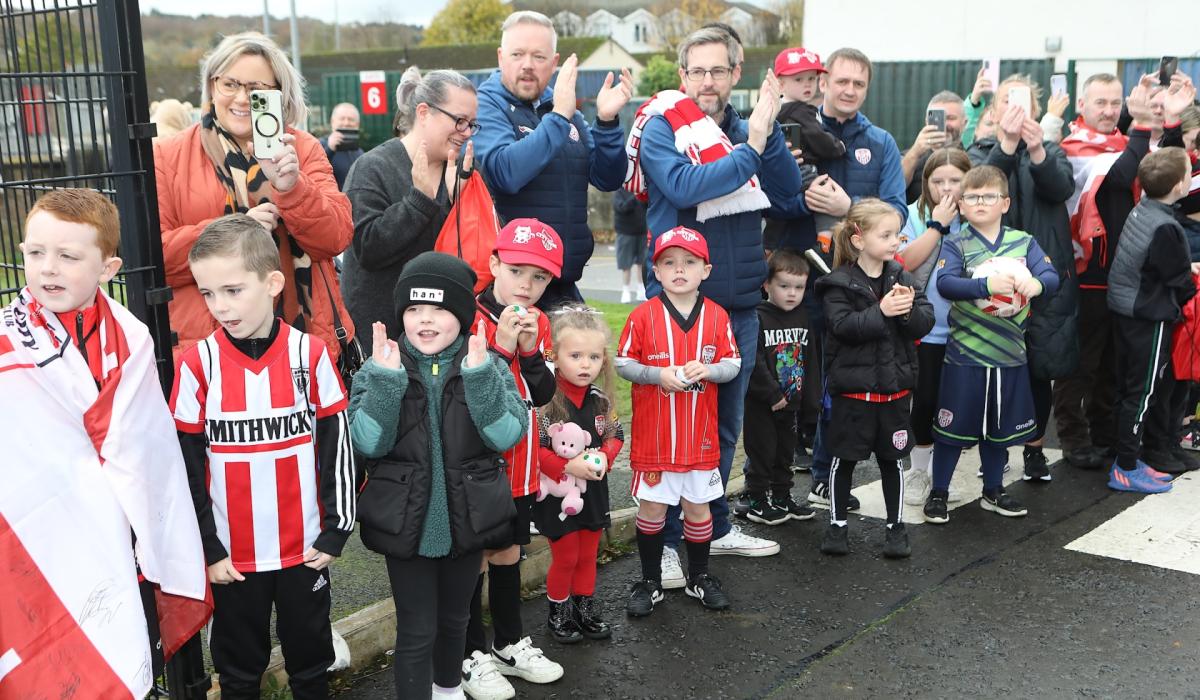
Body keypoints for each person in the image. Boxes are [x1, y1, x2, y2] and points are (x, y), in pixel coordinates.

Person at [2, 190, 207, 699]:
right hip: (32, 535)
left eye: (69, 256)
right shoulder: (6, 339)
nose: (48, 268)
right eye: (35, 253)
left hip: (113, 532)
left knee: (113, 644)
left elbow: (145, 449)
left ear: (108, 266)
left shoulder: (132, 337)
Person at [625, 25, 800, 572]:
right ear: (682, 75)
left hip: (739, 305)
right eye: (696, 70)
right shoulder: (662, 127)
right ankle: (671, 544)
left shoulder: (752, 129)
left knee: (723, 428)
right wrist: (752, 148)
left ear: (735, 74)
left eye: (718, 70)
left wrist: (765, 137)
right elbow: (683, 187)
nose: (707, 80)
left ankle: (712, 527)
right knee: (671, 431)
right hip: (676, 308)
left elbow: (790, 194)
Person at [170, 215, 355, 699]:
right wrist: (208, 549)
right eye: (208, 293)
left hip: (304, 551)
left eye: (232, 290)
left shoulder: (311, 356)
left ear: (273, 283)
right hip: (233, 559)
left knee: (311, 663)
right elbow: (187, 468)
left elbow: (337, 446)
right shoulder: (197, 364)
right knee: (237, 672)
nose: (220, 306)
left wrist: (337, 529)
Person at [348, 252, 527, 699]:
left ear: (463, 317)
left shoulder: (487, 365)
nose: (425, 321)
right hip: (404, 527)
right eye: (413, 309)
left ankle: (448, 691)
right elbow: (367, 443)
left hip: (468, 522)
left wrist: (481, 377)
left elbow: (506, 434)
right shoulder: (379, 368)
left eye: (439, 309)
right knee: (416, 629)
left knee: (455, 622)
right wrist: (386, 384)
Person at [764, 47, 907, 512]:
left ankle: (825, 477)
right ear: (824, 82)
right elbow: (765, 197)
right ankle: (772, 485)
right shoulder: (790, 129)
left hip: (857, 284)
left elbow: (898, 210)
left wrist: (851, 212)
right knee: (792, 383)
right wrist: (803, 201)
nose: (848, 91)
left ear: (867, 88)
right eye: (840, 81)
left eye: (858, 84)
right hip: (799, 277)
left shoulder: (881, 142)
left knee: (839, 382)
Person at [155, 32, 353, 363]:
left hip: (300, 349)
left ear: (279, 94)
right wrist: (234, 233)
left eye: (257, 90)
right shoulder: (167, 155)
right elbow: (153, 258)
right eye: (229, 84)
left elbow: (335, 238)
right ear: (211, 86)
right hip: (207, 354)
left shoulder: (302, 149)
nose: (242, 98)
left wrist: (293, 188)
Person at [461, 219, 565, 699]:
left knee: (508, 552)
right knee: (473, 559)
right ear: (494, 264)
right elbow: (473, 396)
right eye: (518, 270)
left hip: (521, 467)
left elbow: (543, 393)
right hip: (479, 468)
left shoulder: (539, 321)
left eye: (540, 277)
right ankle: (469, 653)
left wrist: (529, 352)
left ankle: (507, 642)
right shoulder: (468, 316)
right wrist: (503, 346)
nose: (527, 284)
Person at [616, 227, 742, 615]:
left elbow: (733, 364)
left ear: (706, 269)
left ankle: (699, 577)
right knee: (652, 511)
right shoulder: (642, 316)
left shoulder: (717, 316)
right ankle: (650, 581)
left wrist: (708, 370)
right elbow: (622, 363)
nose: (679, 270)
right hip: (656, 440)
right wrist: (657, 376)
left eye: (689, 262)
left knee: (698, 509)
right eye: (669, 262)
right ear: (655, 270)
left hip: (699, 440)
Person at [473, 10, 633, 309]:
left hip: (562, 279)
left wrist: (607, 122)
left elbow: (607, 178)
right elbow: (505, 172)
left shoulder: (559, 104)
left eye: (539, 56)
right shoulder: (486, 104)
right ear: (500, 56)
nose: (527, 65)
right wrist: (559, 116)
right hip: (512, 288)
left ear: (555, 62)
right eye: (517, 54)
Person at [926, 165, 1059, 523]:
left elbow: (1050, 274)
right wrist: (986, 287)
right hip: (965, 356)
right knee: (951, 430)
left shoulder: (1024, 242)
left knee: (998, 432)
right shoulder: (956, 243)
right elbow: (946, 284)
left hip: (1010, 356)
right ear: (962, 206)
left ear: (1005, 203)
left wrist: (1038, 285)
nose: (980, 202)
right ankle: (938, 490)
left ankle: (994, 490)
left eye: (989, 196)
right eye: (972, 197)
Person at [967, 73, 1078, 481]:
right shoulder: (981, 151)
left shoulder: (1049, 151)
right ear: (994, 111)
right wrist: (1008, 146)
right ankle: (992, 452)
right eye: (1007, 103)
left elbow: (1060, 187)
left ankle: (1034, 450)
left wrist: (1034, 148)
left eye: (1025, 104)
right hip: (992, 278)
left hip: (1045, 275)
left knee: (1039, 369)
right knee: (991, 366)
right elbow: (980, 190)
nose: (1015, 110)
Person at [816, 199, 933, 557]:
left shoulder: (902, 277)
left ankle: (896, 528)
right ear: (858, 239)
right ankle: (837, 526)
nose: (895, 241)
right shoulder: (837, 284)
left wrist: (907, 311)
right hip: (854, 395)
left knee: (893, 461)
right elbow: (842, 328)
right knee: (843, 459)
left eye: (897, 234)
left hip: (894, 392)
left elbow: (925, 320)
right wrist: (881, 312)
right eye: (886, 235)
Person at [342, 67, 477, 349]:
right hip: (384, 343)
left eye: (472, 124)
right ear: (424, 112)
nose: (466, 133)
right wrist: (419, 201)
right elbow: (368, 249)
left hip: (448, 346)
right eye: (459, 121)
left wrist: (458, 204)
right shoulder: (373, 167)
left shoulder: (465, 172)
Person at [1106, 147, 1197, 492]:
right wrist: (1187, 278)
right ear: (1177, 186)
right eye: (1189, 172)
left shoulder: (1143, 209)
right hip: (1147, 316)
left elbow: (1149, 262)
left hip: (1125, 309)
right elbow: (1180, 283)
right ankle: (1126, 468)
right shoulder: (1167, 228)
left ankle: (1124, 456)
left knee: (1126, 389)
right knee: (1142, 393)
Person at [534, 306, 624, 642]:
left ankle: (583, 608)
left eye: (594, 356)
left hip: (593, 492)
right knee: (567, 555)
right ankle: (558, 612)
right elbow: (536, 448)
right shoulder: (547, 402)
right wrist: (566, 465)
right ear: (555, 357)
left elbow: (616, 435)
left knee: (589, 553)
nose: (586, 364)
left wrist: (604, 455)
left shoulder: (600, 401)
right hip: (558, 494)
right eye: (575, 355)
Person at [897, 149, 972, 505]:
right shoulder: (912, 214)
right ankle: (917, 470)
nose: (946, 188)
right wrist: (937, 224)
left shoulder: (975, 214)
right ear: (925, 183)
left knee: (954, 403)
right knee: (924, 401)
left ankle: (944, 470)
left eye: (955, 180)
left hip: (966, 330)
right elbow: (905, 263)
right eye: (937, 181)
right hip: (925, 328)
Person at [740, 249, 819, 525]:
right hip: (762, 403)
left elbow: (810, 361)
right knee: (762, 451)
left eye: (798, 287)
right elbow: (754, 360)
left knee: (786, 453)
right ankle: (756, 500)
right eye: (784, 286)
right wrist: (772, 393)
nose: (791, 293)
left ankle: (783, 497)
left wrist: (810, 402)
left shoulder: (803, 318)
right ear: (767, 285)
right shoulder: (757, 317)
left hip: (791, 403)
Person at [762, 46, 846, 253]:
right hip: (802, 168)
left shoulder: (775, 108)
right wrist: (838, 147)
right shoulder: (803, 110)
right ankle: (824, 242)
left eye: (811, 78)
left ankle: (769, 245)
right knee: (824, 192)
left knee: (778, 211)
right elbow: (818, 138)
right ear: (780, 83)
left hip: (779, 170)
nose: (807, 85)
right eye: (798, 80)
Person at [902, 91, 966, 203]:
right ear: (927, 122)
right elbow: (893, 188)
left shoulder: (973, 157)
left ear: (964, 123)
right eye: (938, 119)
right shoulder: (910, 157)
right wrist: (915, 153)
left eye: (950, 118)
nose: (945, 124)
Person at [613, 189, 648, 303]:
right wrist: (635, 197)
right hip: (625, 232)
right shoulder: (619, 192)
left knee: (642, 263)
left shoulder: (642, 190)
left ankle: (641, 289)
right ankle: (626, 290)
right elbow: (621, 208)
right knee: (626, 264)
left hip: (642, 231)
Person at [321, 102, 364, 191]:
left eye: (351, 119)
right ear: (332, 122)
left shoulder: (359, 152)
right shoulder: (320, 145)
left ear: (357, 124)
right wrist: (330, 149)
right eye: (342, 119)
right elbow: (315, 170)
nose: (346, 123)